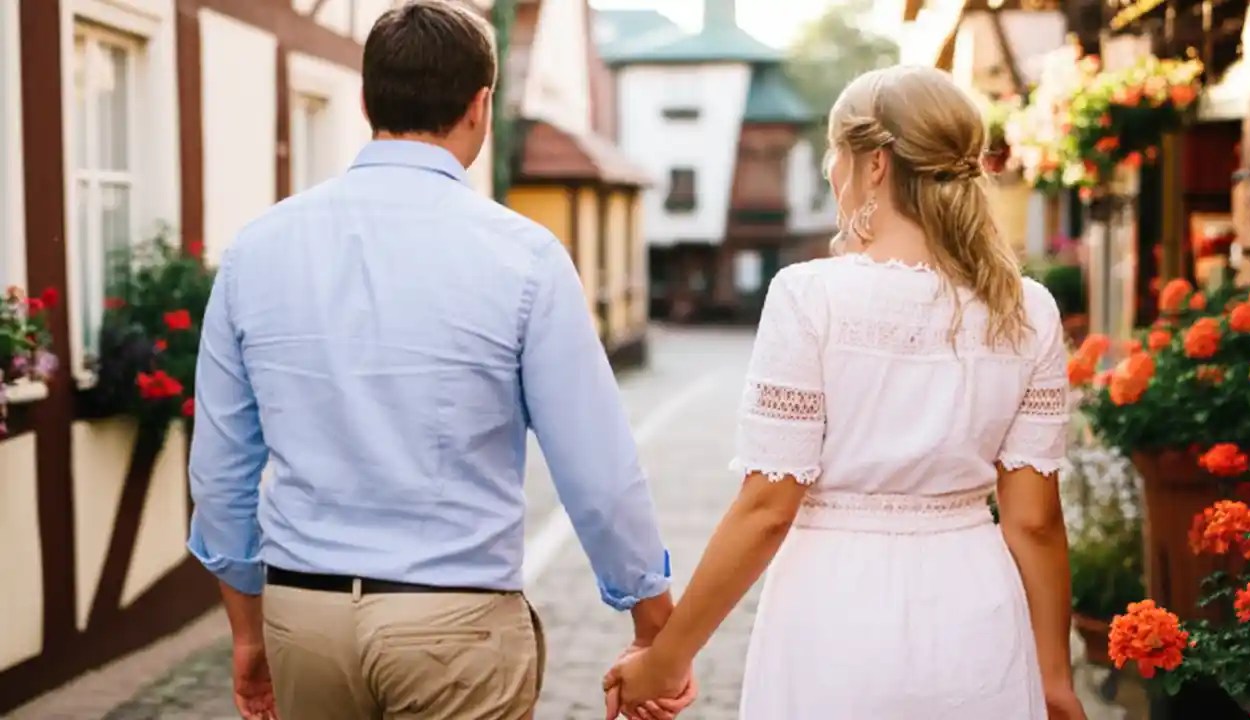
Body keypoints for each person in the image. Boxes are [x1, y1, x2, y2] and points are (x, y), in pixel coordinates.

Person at [186, 3, 693, 718]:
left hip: (305, 617)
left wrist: (247, 629)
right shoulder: (524, 257)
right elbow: (598, 467)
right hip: (455, 626)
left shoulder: (255, 251)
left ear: (366, 101)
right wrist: (653, 624)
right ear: (481, 106)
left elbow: (219, 468)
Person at [603, 66, 1088, 720]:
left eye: (837, 153)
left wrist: (666, 662)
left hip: (834, 612)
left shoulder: (810, 297)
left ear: (877, 164)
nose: (833, 171)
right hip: (976, 616)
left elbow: (768, 508)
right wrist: (1054, 679)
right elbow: (1033, 520)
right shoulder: (1028, 309)